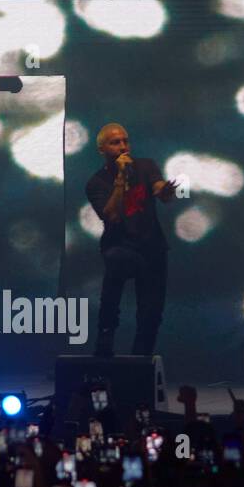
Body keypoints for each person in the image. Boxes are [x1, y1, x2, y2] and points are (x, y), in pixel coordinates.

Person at [84, 123, 177, 357]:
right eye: (115, 142)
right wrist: (120, 180)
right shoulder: (96, 183)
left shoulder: (145, 166)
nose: (123, 146)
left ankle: (140, 361)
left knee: (151, 312)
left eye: (125, 141)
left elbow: (158, 187)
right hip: (120, 247)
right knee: (111, 298)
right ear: (102, 149)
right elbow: (111, 216)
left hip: (151, 247)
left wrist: (163, 190)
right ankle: (104, 349)